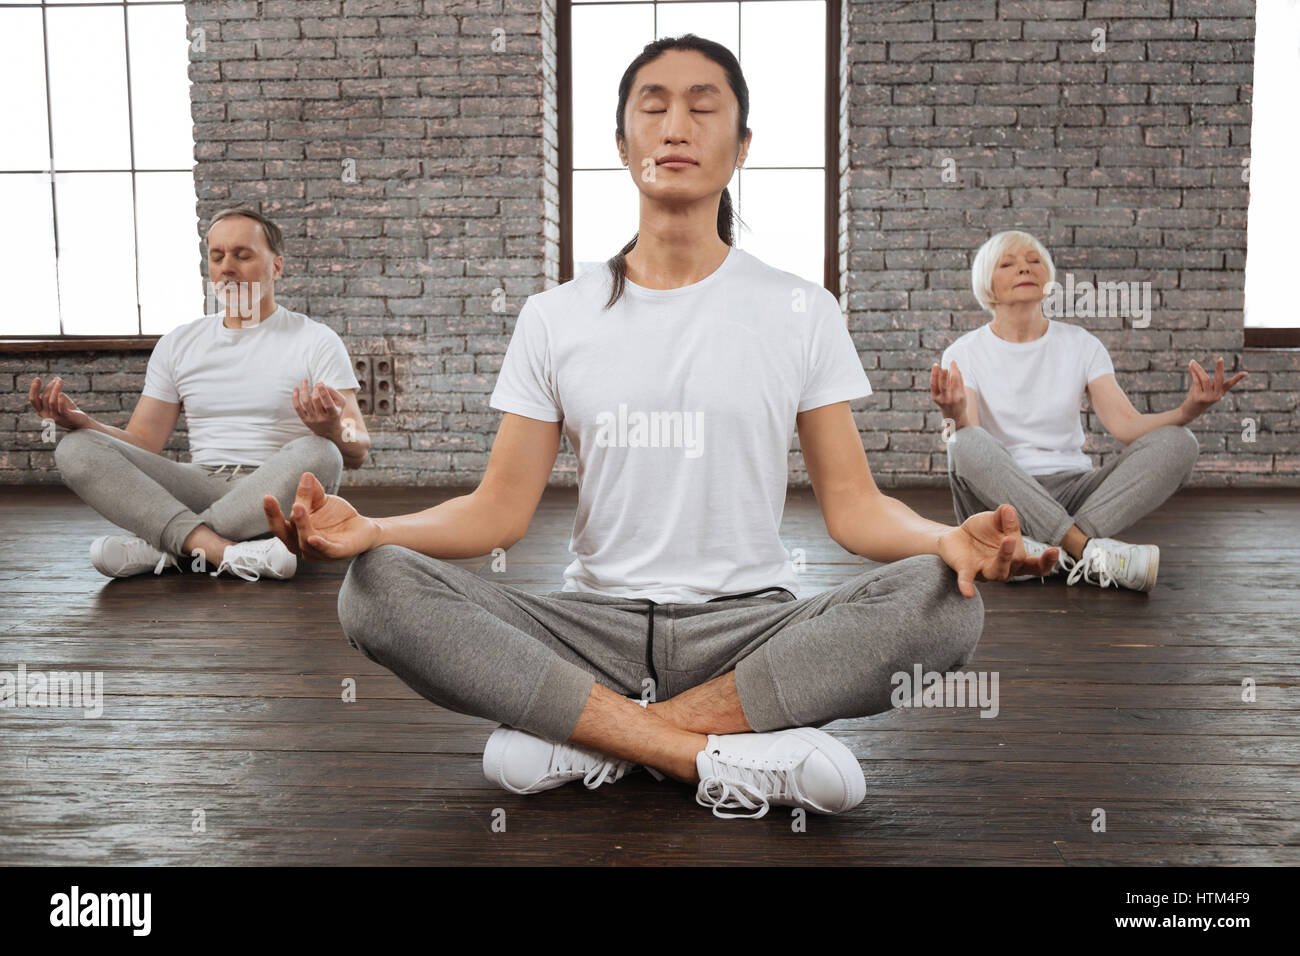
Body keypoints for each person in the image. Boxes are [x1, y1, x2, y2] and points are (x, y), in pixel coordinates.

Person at [268, 36, 1055, 821]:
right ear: (623, 142)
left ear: (741, 146)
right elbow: (498, 512)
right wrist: (373, 529)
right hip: (591, 631)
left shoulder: (800, 309)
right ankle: (713, 753)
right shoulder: (554, 317)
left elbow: (853, 508)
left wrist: (941, 540)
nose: (677, 126)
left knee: (947, 604)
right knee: (374, 591)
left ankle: (590, 738)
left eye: (703, 107)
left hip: (750, 627)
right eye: (654, 106)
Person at [30, 206, 371, 581]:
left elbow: (357, 448)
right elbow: (143, 442)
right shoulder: (179, 343)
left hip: (271, 492)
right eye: (217, 256)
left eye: (243, 255)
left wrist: (333, 429)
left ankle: (166, 546)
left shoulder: (316, 340)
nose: (227, 267)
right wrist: (86, 424)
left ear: (276, 267)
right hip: (197, 485)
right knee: (76, 447)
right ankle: (221, 551)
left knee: (321, 453)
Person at [931, 229, 1245, 592]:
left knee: (1181, 443)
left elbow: (1126, 426)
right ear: (987, 283)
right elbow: (970, 438)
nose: (1024, 269)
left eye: (1034, 261)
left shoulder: (1081, 344)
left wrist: (1188, 410)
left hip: (1074, 489)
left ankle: (1045, 551)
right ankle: (1085, 551)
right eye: (1008, 263)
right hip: (1000, 501)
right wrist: (951, 413)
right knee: (963, 442)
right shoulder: (964, 353)